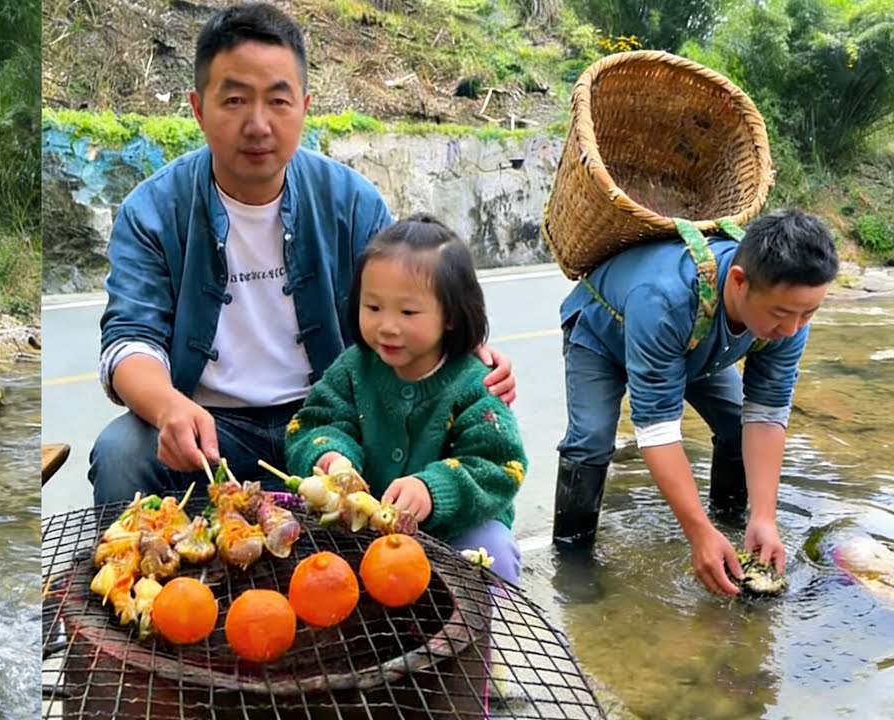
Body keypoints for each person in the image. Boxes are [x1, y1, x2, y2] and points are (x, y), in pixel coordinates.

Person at [90, 2, 516, 506]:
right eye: (234, 100)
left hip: (336, 416)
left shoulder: (351, 202)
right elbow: (129, 341)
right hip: (208, 428)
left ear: (305, 107)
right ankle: (134, 581)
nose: (258, 124)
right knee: (120, 452)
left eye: (278, 100)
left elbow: (411, 297)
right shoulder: (154, 210)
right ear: (198, 109)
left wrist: (469, 355)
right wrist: (168, 408)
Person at [552, 208, 839, 596]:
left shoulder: (789, 318)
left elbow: (767, 414)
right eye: (782, 314)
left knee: (736, 422)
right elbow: (657, 427)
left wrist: (765, 516)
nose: (791, 330)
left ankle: (733, 524)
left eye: (809, 313)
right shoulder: (665, 297)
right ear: (739, 283)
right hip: (602, 335)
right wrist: (696, 532)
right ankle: (572, 559)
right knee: (592, 439)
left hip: (692, 344)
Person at [283, 214, 527, 584]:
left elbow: (498, 465)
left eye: (408, 311)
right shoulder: (353, 369)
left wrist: (432, 490)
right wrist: (330, 457)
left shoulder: (476, 383)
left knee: (496, 553)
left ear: (450, 315)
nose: (387, 326)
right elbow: (314, 424)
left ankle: (472, 640)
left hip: (454, 529)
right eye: (373, 307)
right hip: (360, 526)